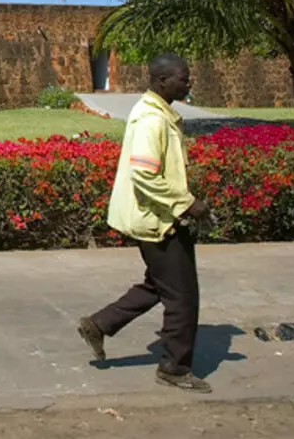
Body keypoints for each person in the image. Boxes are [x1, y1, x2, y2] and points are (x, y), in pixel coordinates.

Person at [77, 53, 213, 393]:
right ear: (162, 81)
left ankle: (99, 324)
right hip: (157, 221)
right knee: (182, 298)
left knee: (159, 284)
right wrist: (188, 204)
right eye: (183, 77)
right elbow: (144, 174)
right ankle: (174, 368)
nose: (189, 82)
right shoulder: (151, 120)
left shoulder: (159, 114)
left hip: (162, 216)